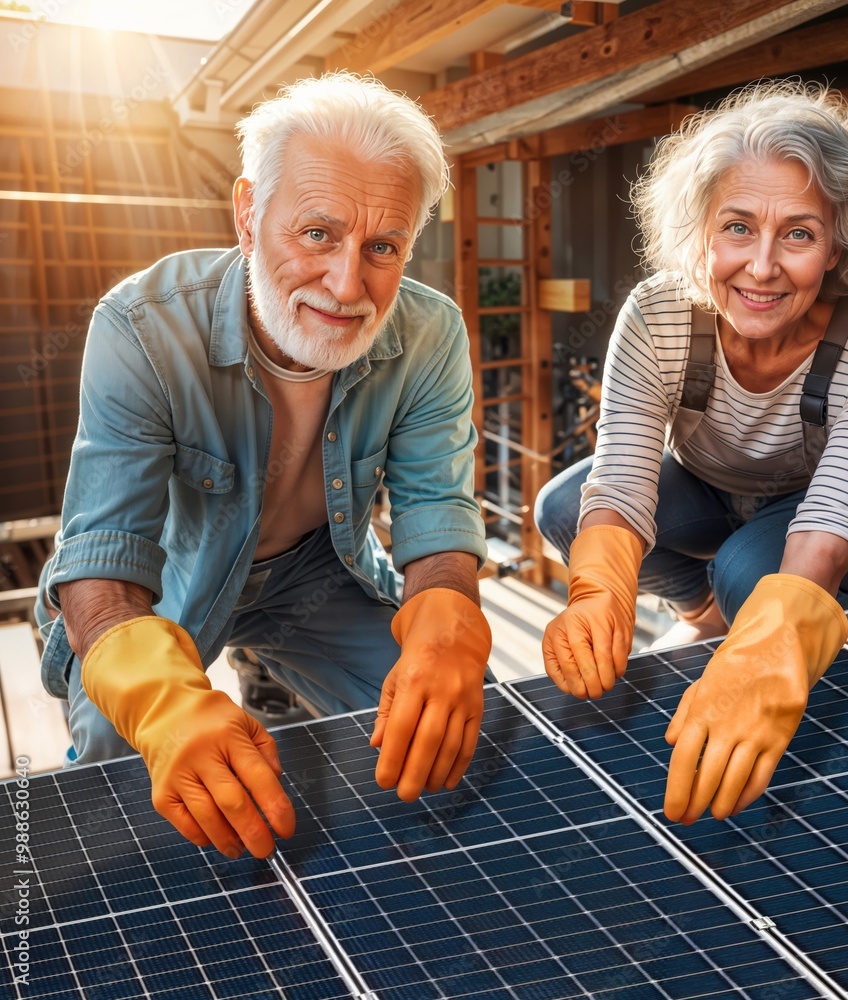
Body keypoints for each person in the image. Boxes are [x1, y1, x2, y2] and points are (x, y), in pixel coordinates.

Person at [34, 72, 492, 860]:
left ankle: (267, 676)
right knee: (120, 766)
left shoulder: (432, 333)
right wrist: (163, 705)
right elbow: (101, 566)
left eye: (382, 247)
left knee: (434, 739)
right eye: (317, 234)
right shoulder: (141, 326)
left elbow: (434, 517)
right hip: (169, 584)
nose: (348, 286)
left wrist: (449, 624)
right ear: (249, 214)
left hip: (319, 575)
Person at [535, 80, 848, 827]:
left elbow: (836, 513)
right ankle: (707, 608)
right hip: (713, 485)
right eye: (738, 227)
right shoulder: (658, 313)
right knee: (564, 507)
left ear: (839, 241)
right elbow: (622, 469)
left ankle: (747, 609)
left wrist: (777, 639)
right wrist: (600, 592)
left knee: (754, 570)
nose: (761, 266)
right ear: (699, 233)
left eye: (799, 234)